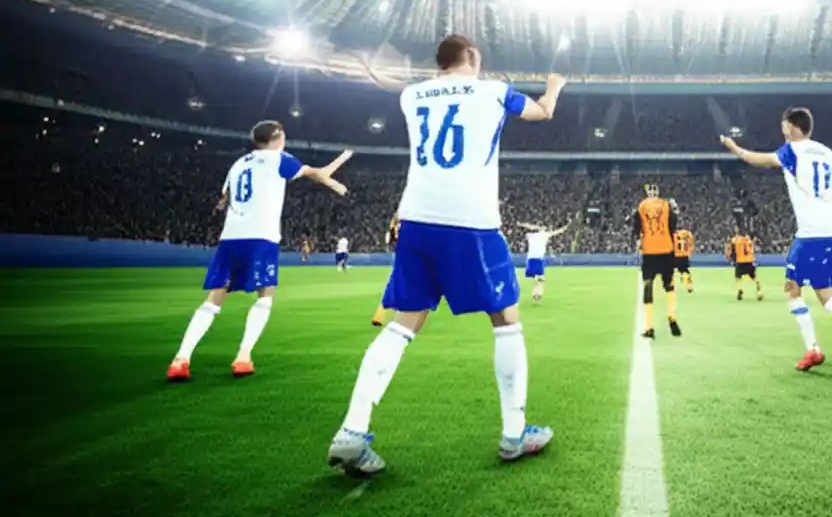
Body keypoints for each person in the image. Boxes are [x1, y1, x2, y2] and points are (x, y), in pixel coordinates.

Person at [327, 34, 566, 477]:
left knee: (402, 323)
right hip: (471, 221)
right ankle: (515, 432)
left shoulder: (411, 94)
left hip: (416, 219)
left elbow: (415, 87)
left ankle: (352, 430)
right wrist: (554, 86)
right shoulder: (494, 90)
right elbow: (543, 113)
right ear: (472, 57)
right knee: (507, 321)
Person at [720, 107, 832, 388]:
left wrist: (733, 146)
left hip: (813, 234)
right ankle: (814, 349)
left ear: (791, 127)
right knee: (795, 286)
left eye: (783, 126)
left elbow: (756, 160)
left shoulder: (791, 151)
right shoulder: (826, 152)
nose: (782, 131)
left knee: (824, 296)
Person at [166, 121, 351, 382]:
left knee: (213, 299)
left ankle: (181, 359)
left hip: (230, 236)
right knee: (265, 295)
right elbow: (316, 173)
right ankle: (243, 356)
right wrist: (335, 178)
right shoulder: (279, 158)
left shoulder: (238, 164)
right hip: (261, 237)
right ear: (277, 137)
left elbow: (224, 200)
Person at [634, 184, 682, 338]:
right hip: (666, 250)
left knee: (648, 286)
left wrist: (639, 243)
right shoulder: (667, 205)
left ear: (648, 193)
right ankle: (672, 316)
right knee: (669, 286)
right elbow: (673, 226)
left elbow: (636, 229)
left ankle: (649, 327)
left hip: (649, 251)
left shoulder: (641, 206)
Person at [516, 219, 573, 302]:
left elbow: (529, 228)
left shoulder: (530, 235)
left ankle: (535, 294)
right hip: (538, 259)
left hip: (531, 259)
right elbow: (558, 231)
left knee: (536, 278)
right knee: (540, 279)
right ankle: (537, 294)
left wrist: (521, 224)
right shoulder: (544, 235)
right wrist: (567, 226)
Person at [372, 214, 399, 327]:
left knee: (394, 283)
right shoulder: (408, 227)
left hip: (399, 255)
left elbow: (389, 241)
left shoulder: (392, 229)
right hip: (408, 258)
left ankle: (380, 314)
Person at [726, 231, 762, 301]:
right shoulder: (749, 241)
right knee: (754, 277)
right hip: (749, 261)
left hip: (740, 261)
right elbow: (754, 249)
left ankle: (740, 289)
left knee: (737, 278)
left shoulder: (736, 240)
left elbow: (731, 248)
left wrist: (731, 258)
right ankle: (759, 290)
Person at [673, 226, 695, 293]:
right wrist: (690, 250)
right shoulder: (686, 234)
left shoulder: (673, 235)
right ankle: (688, 284)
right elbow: (691, 238)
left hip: (676, 255)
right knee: (685, 270)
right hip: (684, 256)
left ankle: (672, 285)